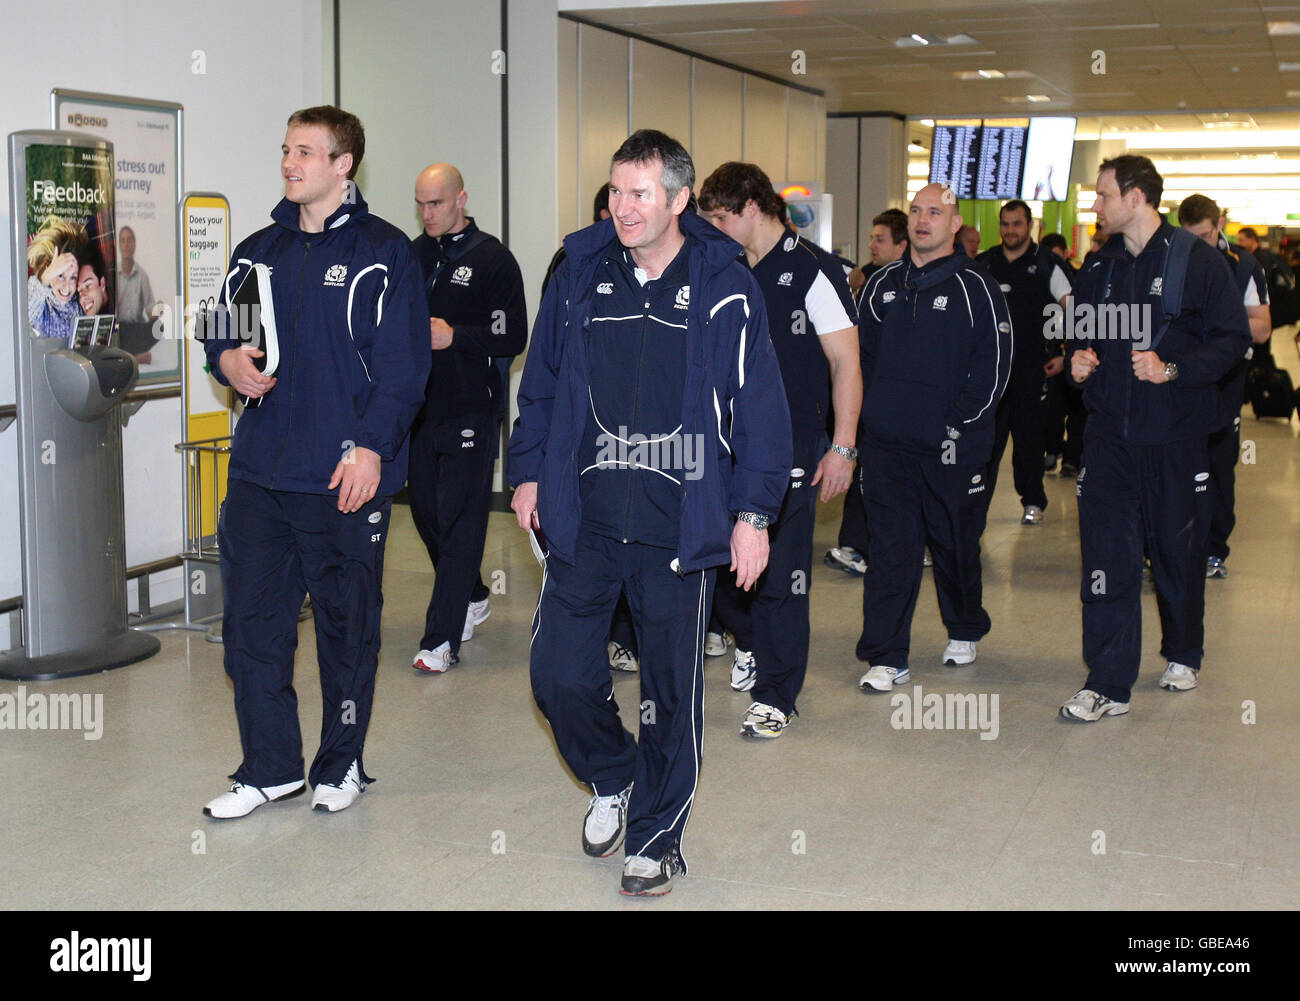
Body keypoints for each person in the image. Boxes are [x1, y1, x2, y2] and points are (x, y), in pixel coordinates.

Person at [509, 129, 791, 896]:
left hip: (680, 523)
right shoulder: (579, 271)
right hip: (587, 517)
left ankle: (657, 839)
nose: (621, 208)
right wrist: (528, 472)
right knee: (557, 675)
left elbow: (759, 406)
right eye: (615, 191)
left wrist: (754, 514)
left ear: (678, 199)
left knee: (668, 695)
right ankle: (614, 773)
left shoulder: (725, 283)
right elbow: (542, 380)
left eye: (639, 194)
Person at [200, 106, 429, 817]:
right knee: (252, 628)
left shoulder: (387, 252)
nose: (289, 162)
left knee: (345, 628)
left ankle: (341, 762)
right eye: (286, 149)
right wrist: (227, 358)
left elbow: (404, 369)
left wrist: (370, 448)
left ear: (343, 164)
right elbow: (221, 333)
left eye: (306, 151)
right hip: (261, 474)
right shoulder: (256, 250)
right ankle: (270, 767)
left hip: (342, 476)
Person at [1060, 156, 1249, 722]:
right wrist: (1079, 361)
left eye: (1102, 195)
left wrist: (1172, 369)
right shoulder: (1100, 266)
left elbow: (1233, 339)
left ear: (1136, 197)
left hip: (1175, 436)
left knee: (1176, 549)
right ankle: (1108, 681)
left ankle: (1184, 648)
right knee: (1108, 557)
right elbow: (1082, 332)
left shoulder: (1200, 263)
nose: (1095, 205)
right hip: (1109, 439)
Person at [698, 160, 861, 736]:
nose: (712, 228)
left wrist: (842, 447)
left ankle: (776, 692)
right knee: (711, 565)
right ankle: (749, 641)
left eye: (720, 217)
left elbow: (846, 362)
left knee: (783, 575)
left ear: (751, 208)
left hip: (794, 444)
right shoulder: (718, 266)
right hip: (724, 447)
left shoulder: (814, 271)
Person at [856, 183, 1011, 692]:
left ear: (955, 223)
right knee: (891, 550)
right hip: (887, 448)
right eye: (916, 211)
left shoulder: (979, 289)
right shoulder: (880, 286)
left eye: (934, 212)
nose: (923, 220)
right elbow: (862, 363)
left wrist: (956, 426)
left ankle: (964, 625)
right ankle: (886, 655)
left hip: (952, 448)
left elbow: (992, 370)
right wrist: (866, 424)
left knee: (954, 544)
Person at [407, 163, 527, 673]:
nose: (427, 213)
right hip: (419, 407)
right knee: (425, 513)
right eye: (421, 203)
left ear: (461, 199)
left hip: (472, 407)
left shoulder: (493, 259)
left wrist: (454, 335)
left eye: (436, 202)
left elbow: (511, 335)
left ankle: (440, 638)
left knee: (461, 520)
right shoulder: (410, 256)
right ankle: (473, 592)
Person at [1177, 194, 1271, 580]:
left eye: (1204, 235)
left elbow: (1262, 328)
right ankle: (1170, 547)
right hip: (1179, 377)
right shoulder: (1171, 258)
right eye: (1189, 236)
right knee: (1175, 465)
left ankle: (1215, 548)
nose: (1197, 244)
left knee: (1219, 467)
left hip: (1225, 381)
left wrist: (1216, 327)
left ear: (1219, 226)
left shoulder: (1244, 267)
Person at [975, 200, 1073, 527]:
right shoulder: (985, 263)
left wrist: (1065, 354)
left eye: (1017, 224)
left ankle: (1033, 500)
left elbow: (1074, 311)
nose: (1010, 231)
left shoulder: (1048, 264)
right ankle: (976, 509)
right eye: (1005, 224)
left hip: (1034, 368)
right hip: (991, 372)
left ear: (1029, 226)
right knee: (986, 442)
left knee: (1029, 441)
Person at [827, 208, 908, 576]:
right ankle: (854, 545)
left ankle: (887, 546)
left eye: (880, 239)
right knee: (863, 472)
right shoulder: (867, 278)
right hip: (865, 396)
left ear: (901, 245)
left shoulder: (907, 285)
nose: (872, 245)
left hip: (893, 402)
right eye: (871, 237)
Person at [26, 217, 86, 339]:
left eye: (73, 278)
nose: (66, 287)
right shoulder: (40, 301)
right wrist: (47, 275)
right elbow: (23, 319)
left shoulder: (80, 303)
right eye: (60, 275)